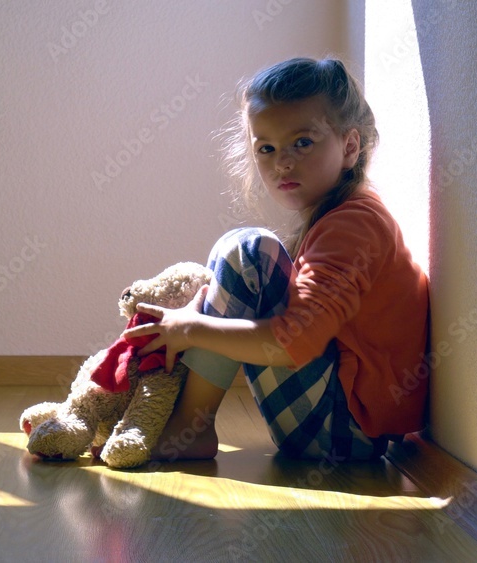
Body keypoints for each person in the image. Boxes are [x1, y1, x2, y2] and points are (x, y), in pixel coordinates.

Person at [124, 57, 429, 461]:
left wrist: (193, 329)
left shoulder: (353, 226)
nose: (282, 161)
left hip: (346, 431)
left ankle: (189, 427)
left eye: (302, 142)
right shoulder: (342, 218)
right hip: (344, 423)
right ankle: (168, 414)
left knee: (248, 250)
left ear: (350, 146)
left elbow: (292, 345)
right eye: (266, 148)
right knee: (241, 256)